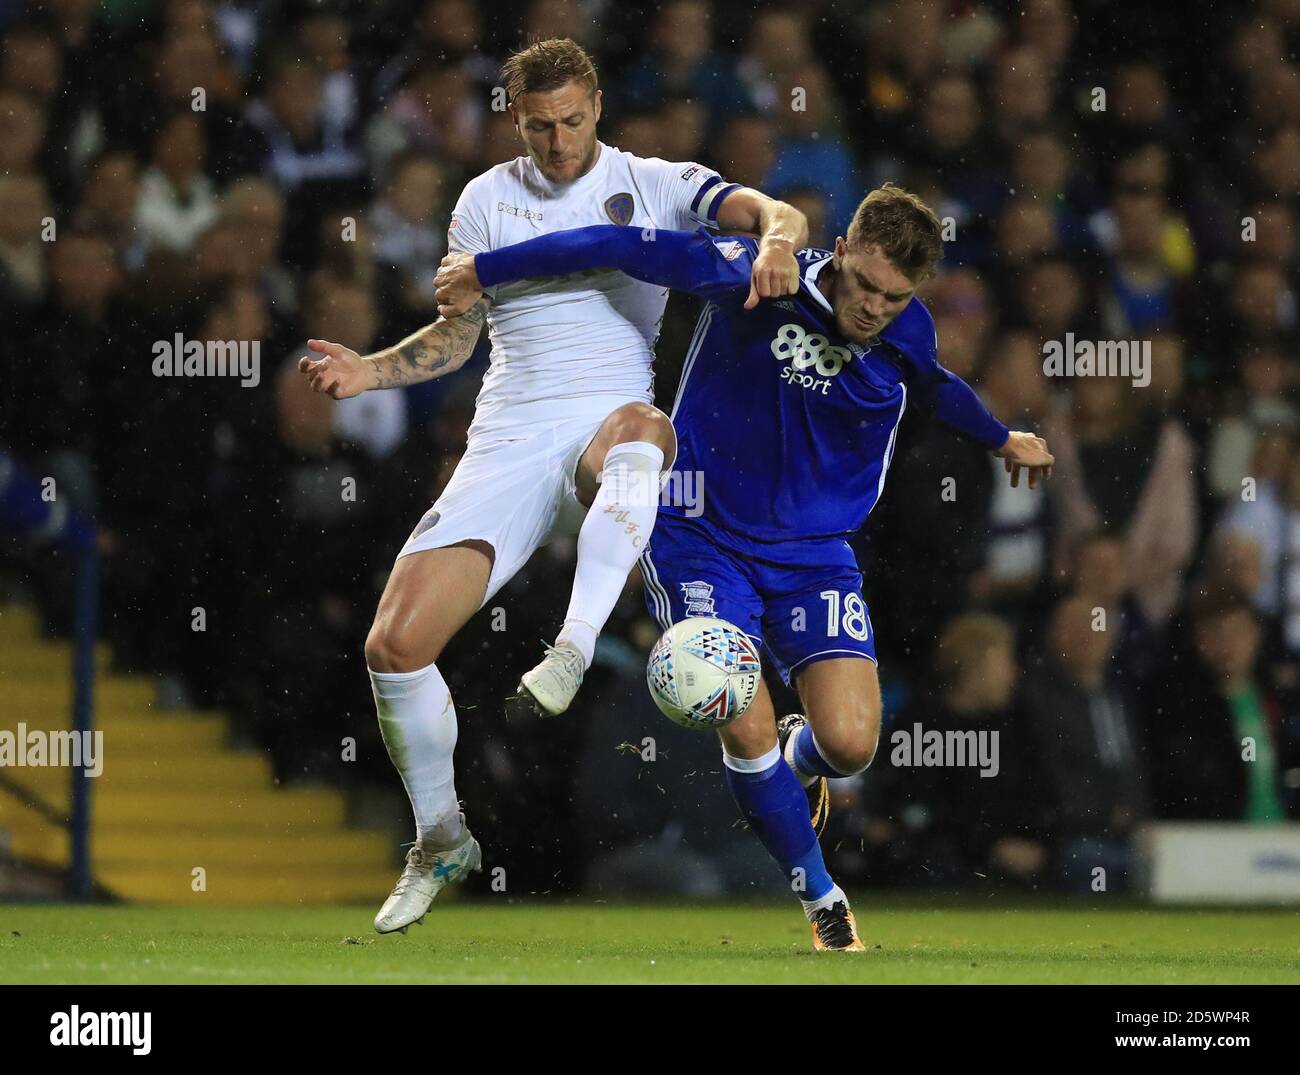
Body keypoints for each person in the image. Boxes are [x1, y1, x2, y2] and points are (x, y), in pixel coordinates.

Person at [433, 183, 1054, 950]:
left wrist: (1001, 439)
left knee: (851, 743)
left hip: (815, 557)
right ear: (847, 248)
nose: (872, 308)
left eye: (894, 298)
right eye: (863, 285)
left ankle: (800, 755)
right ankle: (822, 895)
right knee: (742, 711)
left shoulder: (907, 331)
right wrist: (487, 267)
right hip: (702, 536)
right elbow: (620, 247)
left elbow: (933, 385)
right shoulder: (754, 273)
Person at [296, 38, 808, 935]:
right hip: (507, 440)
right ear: (515, 118)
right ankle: (439, 836)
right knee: (392, 645)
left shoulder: (657, 181)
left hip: (605, 420)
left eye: (573, 121)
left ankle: (571, 649)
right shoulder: (485, 200)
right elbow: (458, 337)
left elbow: (772, 212)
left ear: (598, 105)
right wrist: (371, 372)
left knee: (648, 432)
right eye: (541, 125)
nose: (560, 141)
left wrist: (776, 240)